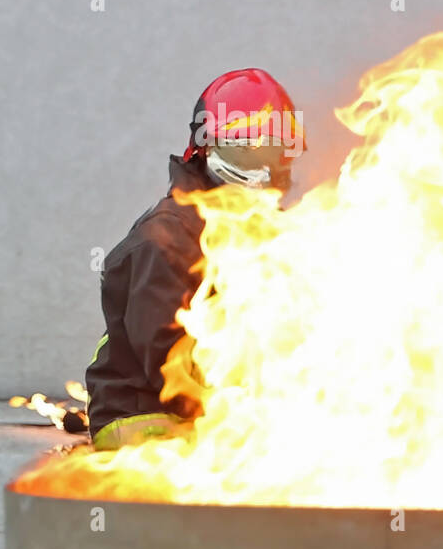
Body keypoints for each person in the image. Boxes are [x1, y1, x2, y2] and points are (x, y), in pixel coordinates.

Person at [85, 68, 303, 450]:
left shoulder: (260, 233)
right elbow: (172, 367)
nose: (262, 168)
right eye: (246, 149)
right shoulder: (169, 236)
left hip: (203, 416)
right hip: (143, 419)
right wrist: (264, 406)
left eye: (272, 150)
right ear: (207, 147)